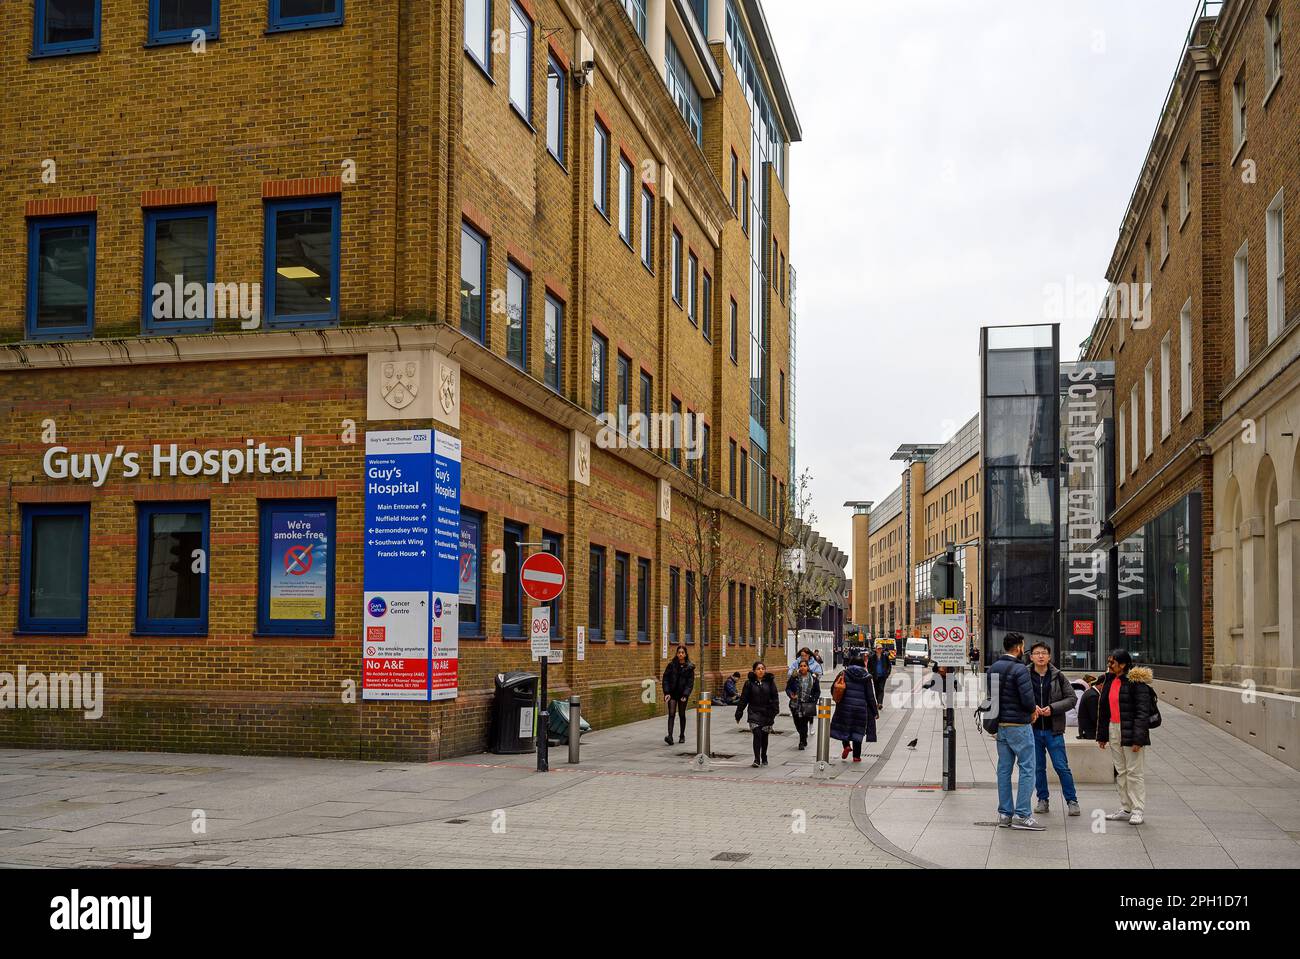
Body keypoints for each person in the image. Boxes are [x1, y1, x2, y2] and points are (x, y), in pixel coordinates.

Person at [988, 632, 1044, 830]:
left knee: (1004, 770)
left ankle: (1005, 814)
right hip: (1019, 726)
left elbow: (993, 697)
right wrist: (1033, 710)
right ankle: (1022, 814)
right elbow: (1027, 700)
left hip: (1001, 726)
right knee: (1028, 768)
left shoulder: (993, 668)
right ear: (1019, 647)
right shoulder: (1020, 669)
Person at [1096, 650, 1156, 825]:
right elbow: (1104, 710)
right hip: (1113, 728)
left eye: (1112, 662)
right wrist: (1102, 735)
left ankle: (1138, 810)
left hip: (1130, 729)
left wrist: (1138, 739)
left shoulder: (1136, 683)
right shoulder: (1109, 680)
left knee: (1134, 772)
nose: (1109, 665)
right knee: (1121, 771)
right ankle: (1126, 807)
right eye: (1108, 661)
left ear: (1122, 664)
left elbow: (1142, 713)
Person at [1026, 643, 1081, 817]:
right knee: (1038, 768)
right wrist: (1031, 707)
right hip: (1032, 730)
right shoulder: (1024, 675)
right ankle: (1042, 800)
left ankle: (1072, 801)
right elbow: (1017, 697)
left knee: (1061, 767)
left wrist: (1052, 708)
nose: (1040, 656)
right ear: (1031, 657)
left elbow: (1071, 698)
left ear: (1049, 656)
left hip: (1053, 730)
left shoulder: (1058, 676)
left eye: (1044, 653)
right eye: (1037, 653)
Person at [829, 653, 878, 762]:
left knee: (844, 728)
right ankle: (856, 756)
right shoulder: (866, 677)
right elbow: (870, 696)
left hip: (844, 707)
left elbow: (833, 688)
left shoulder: (843, 673)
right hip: (860, 709)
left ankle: (846, 746)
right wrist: (875, 711)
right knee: (857, 731)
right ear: (863, 665)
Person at [735, 661, 781, 767]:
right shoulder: (749, 683)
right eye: (758, 669)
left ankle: (764, 755)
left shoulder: (770, 682)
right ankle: (756, 759)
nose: (761, 671)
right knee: (757, 734)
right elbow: (743, 699)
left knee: (764, 735)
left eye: (762, 669)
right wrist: (739, 713)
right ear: (754, 671)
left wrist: (775, 710)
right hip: (754, 712)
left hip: (767, 712)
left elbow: (775, 697)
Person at [661, 645, 694, 746]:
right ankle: (670, 736)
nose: (680, 654)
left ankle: (682, 735)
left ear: (685, 654)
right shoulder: (671, 665)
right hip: (672, 693)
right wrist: (666, 693)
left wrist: (685, 694)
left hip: (683, 694)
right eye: (679, 652)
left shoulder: (689, 667)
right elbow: (665, 679)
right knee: (671, 714)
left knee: (682, 714)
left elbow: (690, 683)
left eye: (682, 652)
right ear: (676, 654)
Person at [785, 659, 822, 749]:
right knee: (797, 724)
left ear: (808, 667)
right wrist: (791, 695)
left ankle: (802, 741)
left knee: (804, 723)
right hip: (795, 704)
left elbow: (817, 691)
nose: (802, 668)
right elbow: (788, 688)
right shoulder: (794, 677)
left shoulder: (813, 678)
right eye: (801, 666)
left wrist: (814, 701)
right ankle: (803, 736)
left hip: (807, 704)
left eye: (804, 666)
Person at [866, 642, 892, 710]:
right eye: (878, 648)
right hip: (875, 676)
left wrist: (887, 673)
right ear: (876, 649)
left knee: (881, 689)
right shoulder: (872, 657)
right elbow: (868, 666)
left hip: (883, 676)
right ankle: (878, 702)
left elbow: (889, 665)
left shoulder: (885, 657)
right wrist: (871, 673)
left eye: (881, 648)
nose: (880, 650)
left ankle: (880, 703)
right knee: (876, 689)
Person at [1076, 675, 1102, 740]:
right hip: (1090, 732)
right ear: (1101, 685)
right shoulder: (1093, 696)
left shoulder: (1091, 692)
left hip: (1088, 730)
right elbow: (1095, 716)